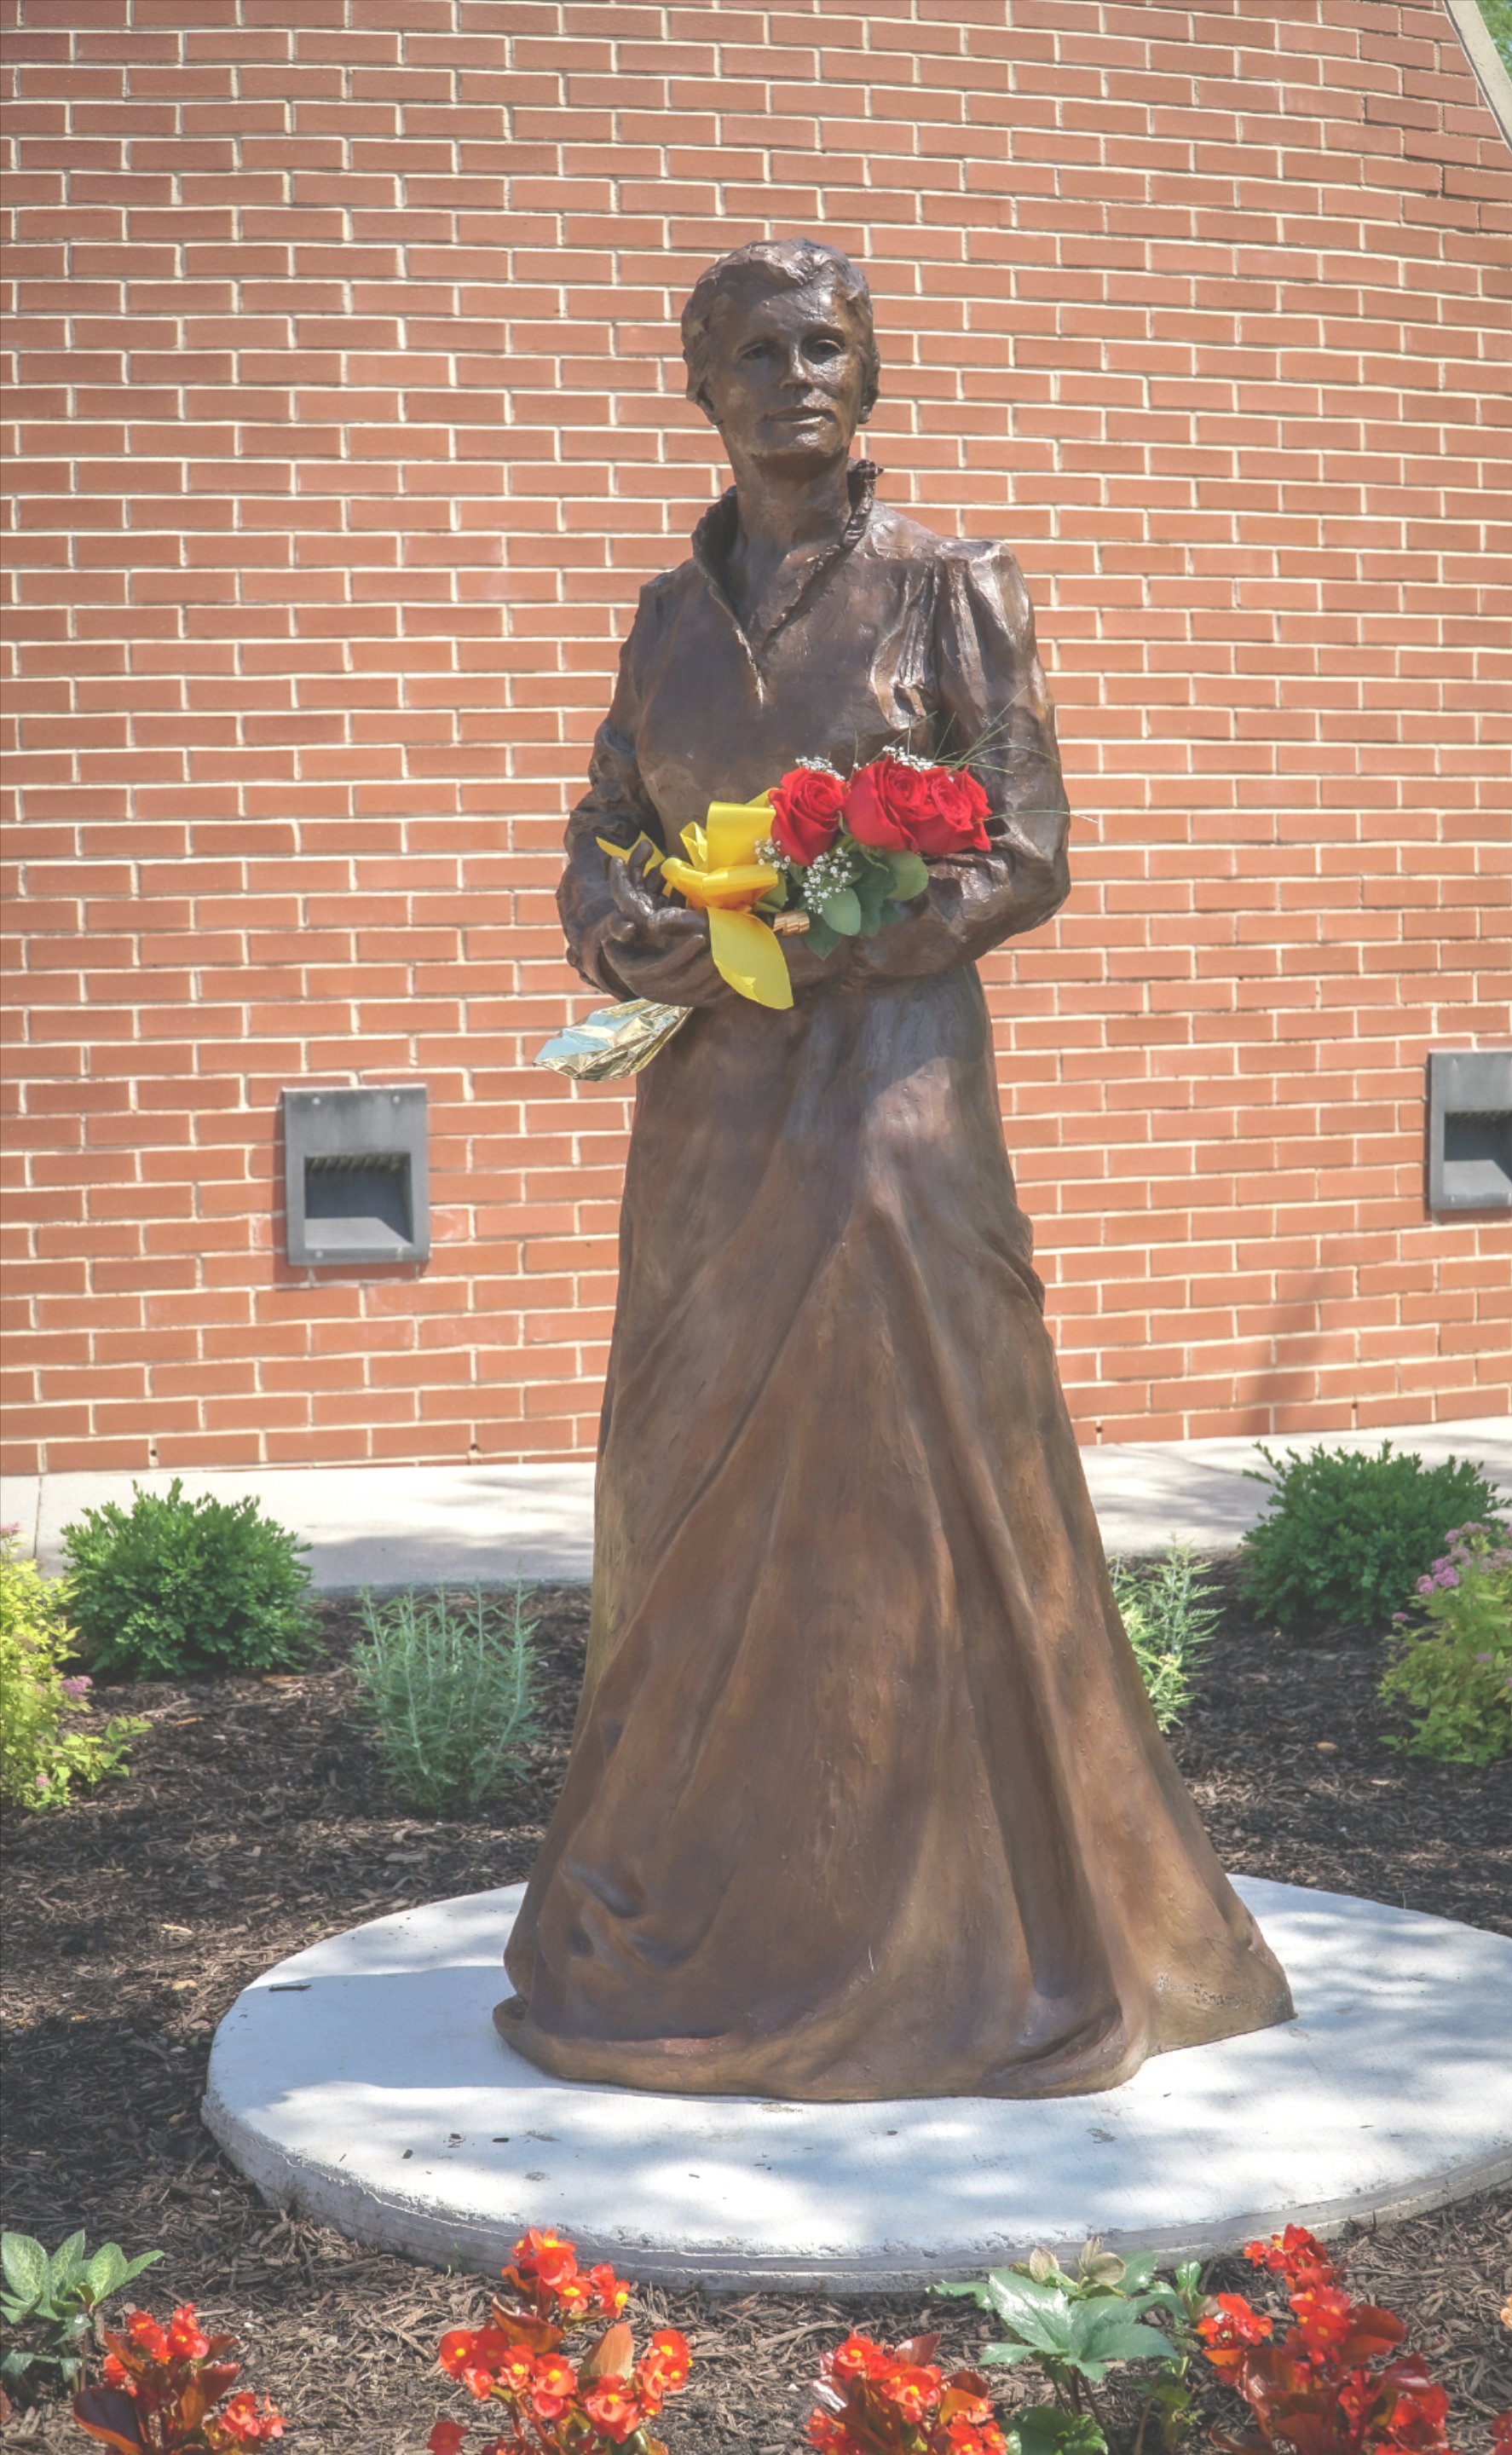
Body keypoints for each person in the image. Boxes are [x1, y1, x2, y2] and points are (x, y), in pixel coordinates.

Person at [496, 238, 1292, 2099]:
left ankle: (979, 1933)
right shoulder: (666, 614)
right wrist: (628, 933)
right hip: (704, 1121)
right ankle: (721, 1897)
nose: (799, 376)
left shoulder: (954, 587)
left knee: (914, 1484)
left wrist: (817, 928)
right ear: (701, 384)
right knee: (684, 1483)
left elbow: (1025, 852)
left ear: (870, 377)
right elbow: (599, 837)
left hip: (891, 1107)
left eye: (829, 346)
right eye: (760, 349)